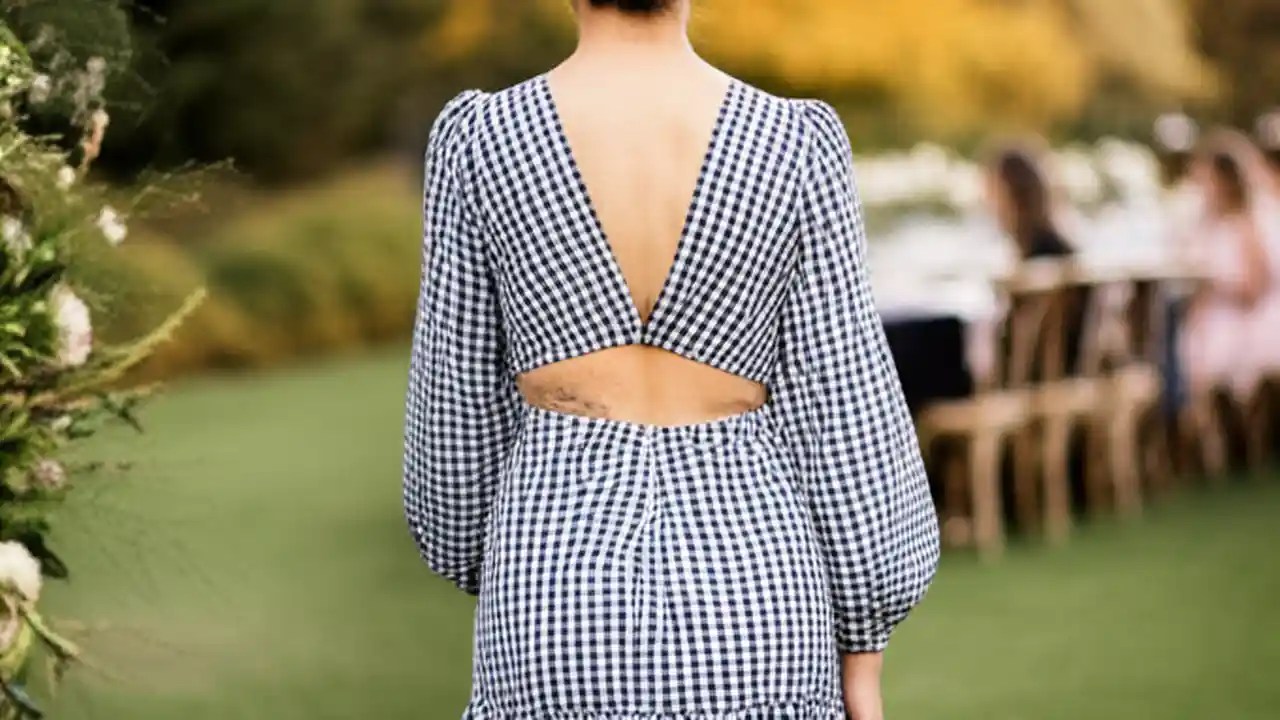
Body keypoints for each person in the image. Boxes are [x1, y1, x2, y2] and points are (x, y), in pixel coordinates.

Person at [400, 1, 940, 718]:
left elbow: (453, 428)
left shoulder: (481, 142)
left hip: (557, 585)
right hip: (757, 585)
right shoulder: (793, 144)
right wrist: (864, 653)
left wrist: (493, 555)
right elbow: (845, 416)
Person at [1176, 129, 1276, 471]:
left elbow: (1255, 287)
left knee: (1201, 346)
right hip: (1219, 313)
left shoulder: (1247, 225)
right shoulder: (1205, 226)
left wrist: (1215, 287)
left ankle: (1215, 442)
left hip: (1251, 313)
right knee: (1188, 340)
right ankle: (1205, 445)